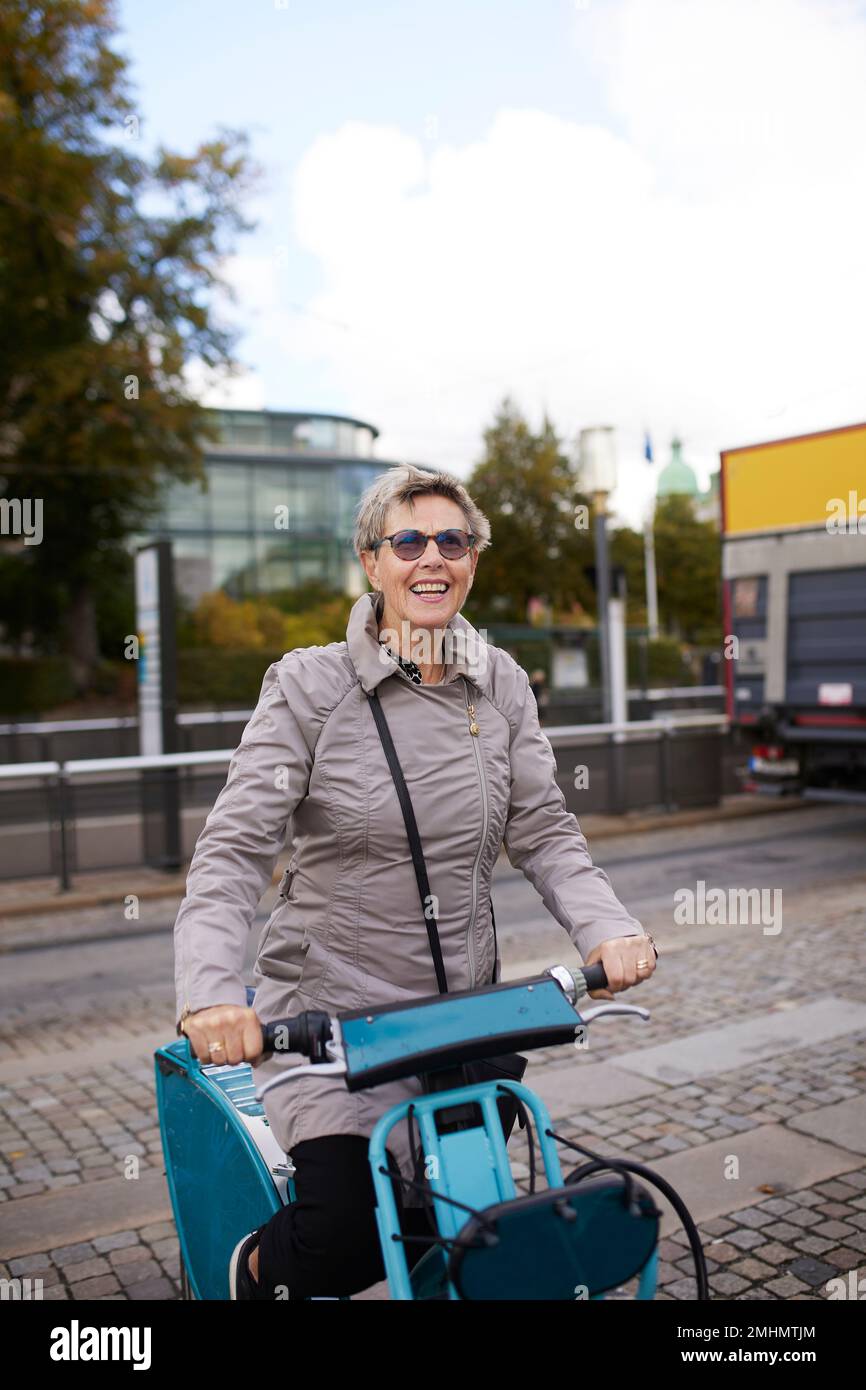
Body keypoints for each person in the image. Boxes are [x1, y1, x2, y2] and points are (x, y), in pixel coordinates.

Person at [174, 463, 657, 1300]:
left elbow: (542, 828)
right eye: (408, 540)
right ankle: (246, 1268)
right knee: (349, 1234)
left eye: (453, 540)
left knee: (464, 1221)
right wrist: (213, 991)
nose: (431, 557)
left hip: (459, 1016)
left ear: (472, 561)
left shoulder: (499, 682)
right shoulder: (309, 685)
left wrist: (604, 928)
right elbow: (234, 852)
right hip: (330, 1026)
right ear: (372, 561)